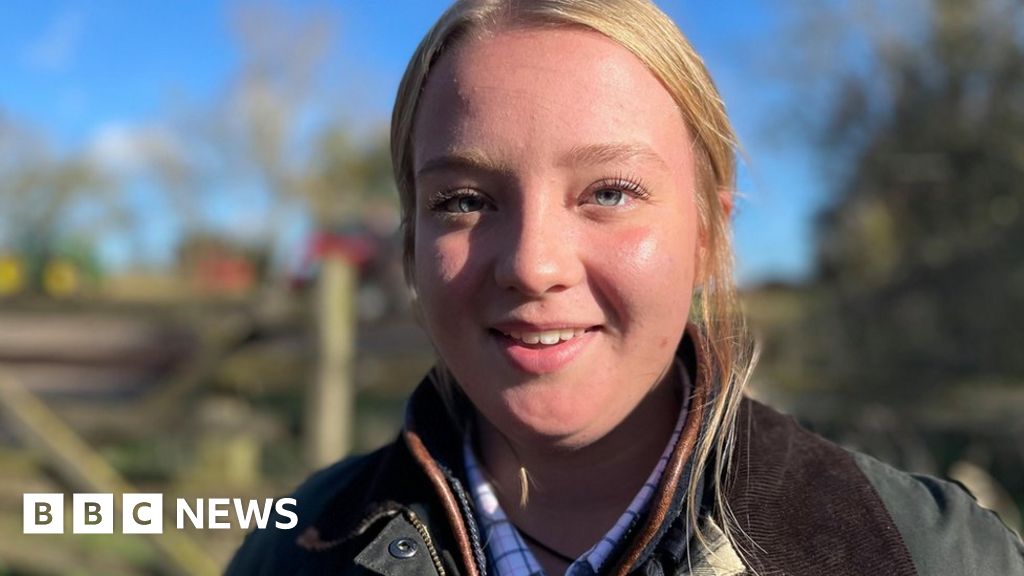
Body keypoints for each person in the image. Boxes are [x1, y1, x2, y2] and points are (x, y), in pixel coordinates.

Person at [228, 1, 1024, 574]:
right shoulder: (299, 547)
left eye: (609, 191)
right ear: (410, 250)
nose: (534, 265)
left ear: (707, 235)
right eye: (464, 200)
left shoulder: (915, 553)